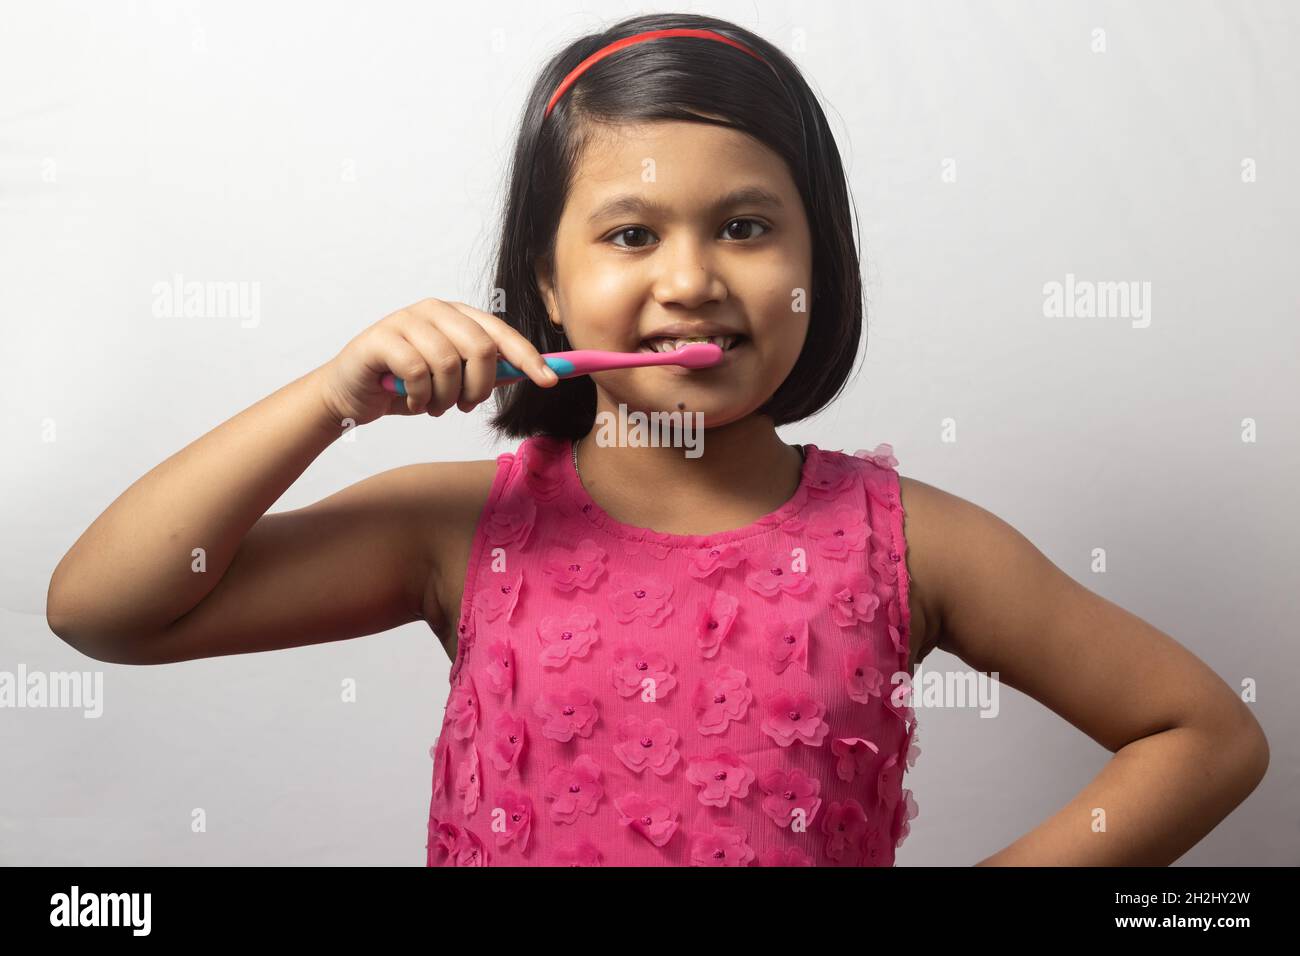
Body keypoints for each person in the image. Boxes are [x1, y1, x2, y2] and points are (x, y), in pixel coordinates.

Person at [46, 13, 1268, 867]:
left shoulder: (918, 544)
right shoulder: (459, 526)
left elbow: (1205, 735)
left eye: (744, 226)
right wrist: (327, 397)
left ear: (817, 266)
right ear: (548, 283)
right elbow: (104, 609)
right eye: (630, 236)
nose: (690, 279)